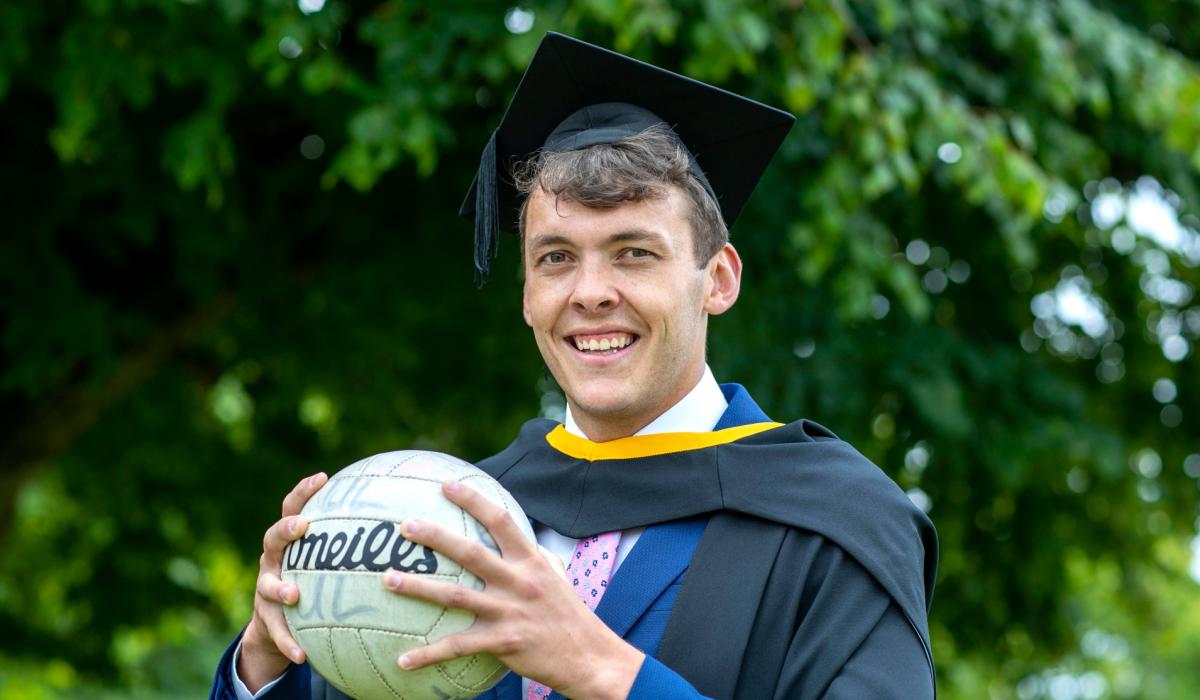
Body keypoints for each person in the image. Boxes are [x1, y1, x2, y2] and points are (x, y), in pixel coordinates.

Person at [210, 32, 938, 700]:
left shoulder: (837, 524)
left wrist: (602, 670)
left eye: (634, 253)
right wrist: (266, 663)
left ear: (717, 279)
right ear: (527, 294)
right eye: (556, 258)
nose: (590, 294)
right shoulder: (454, 518)